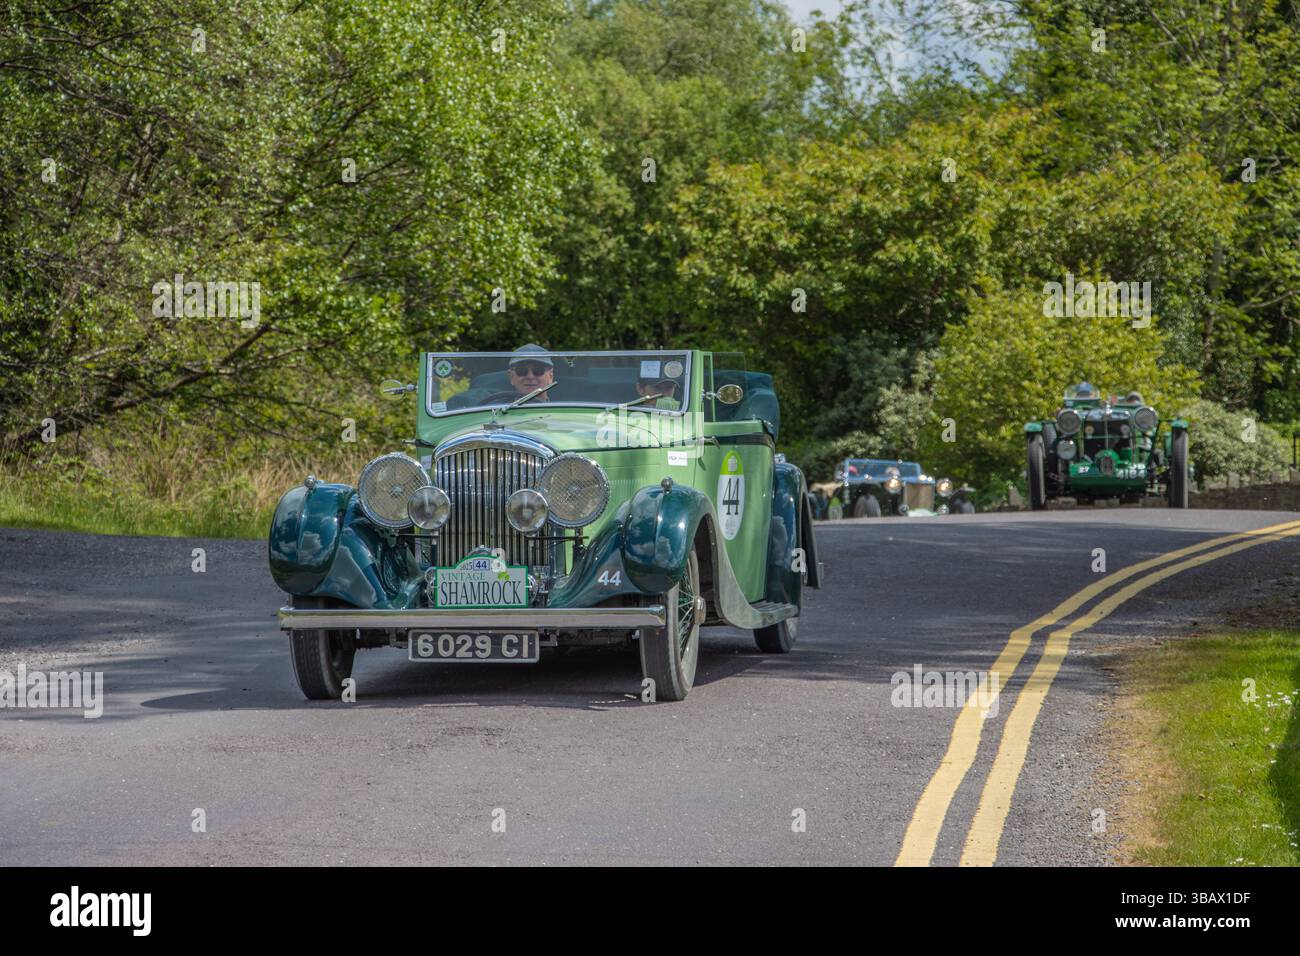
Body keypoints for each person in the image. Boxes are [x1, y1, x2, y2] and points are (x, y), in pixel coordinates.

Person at [482, 344, 555, 404]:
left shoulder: (562, 411)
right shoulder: (492, 411)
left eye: (538, 370)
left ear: (550, 376)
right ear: (511, 377)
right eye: (522, 370)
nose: (530, 376)